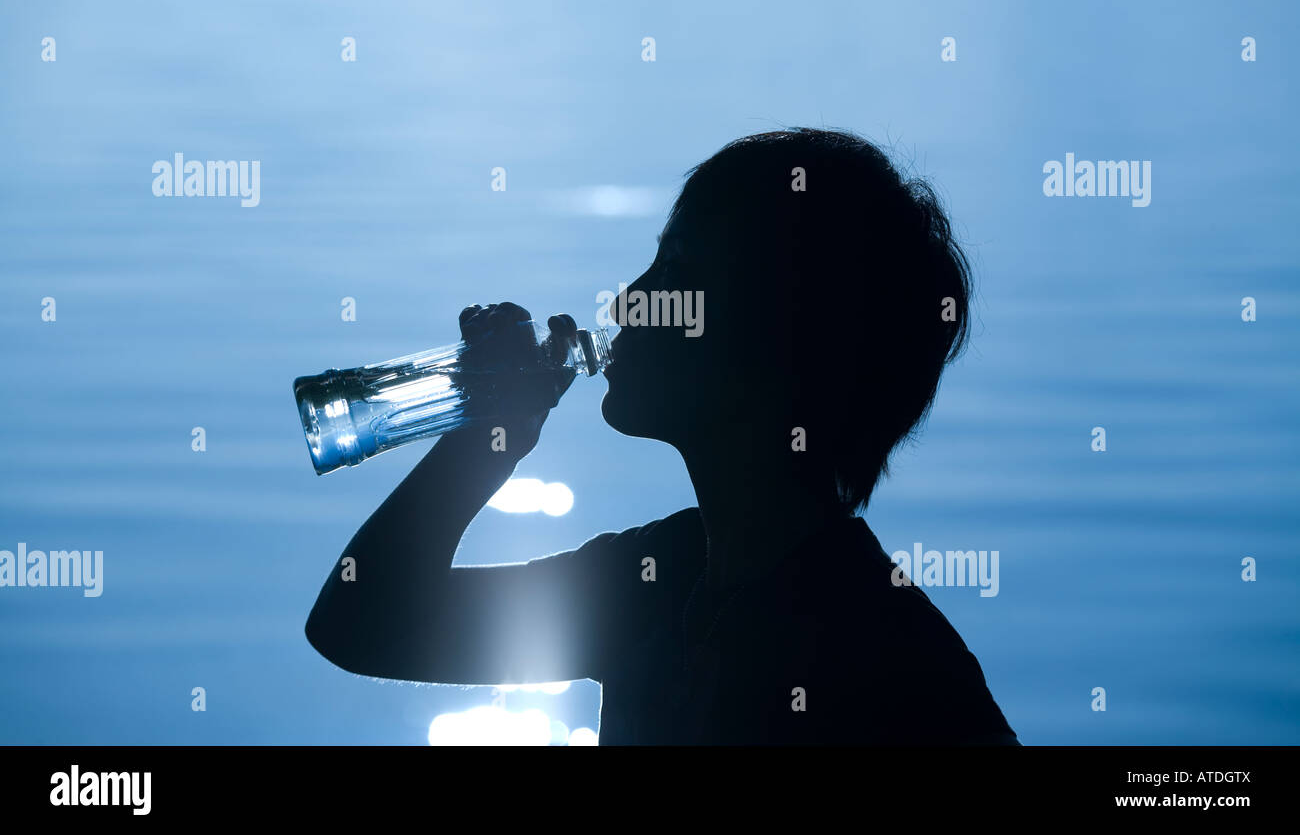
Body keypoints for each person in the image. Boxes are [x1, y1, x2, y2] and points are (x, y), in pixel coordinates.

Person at [305, 127, 1019, 745]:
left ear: (777, 339)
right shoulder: (655, 582)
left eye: (676, 272)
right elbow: (362, 619)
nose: (624, 303)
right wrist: (484, 443)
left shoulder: (901, 673)